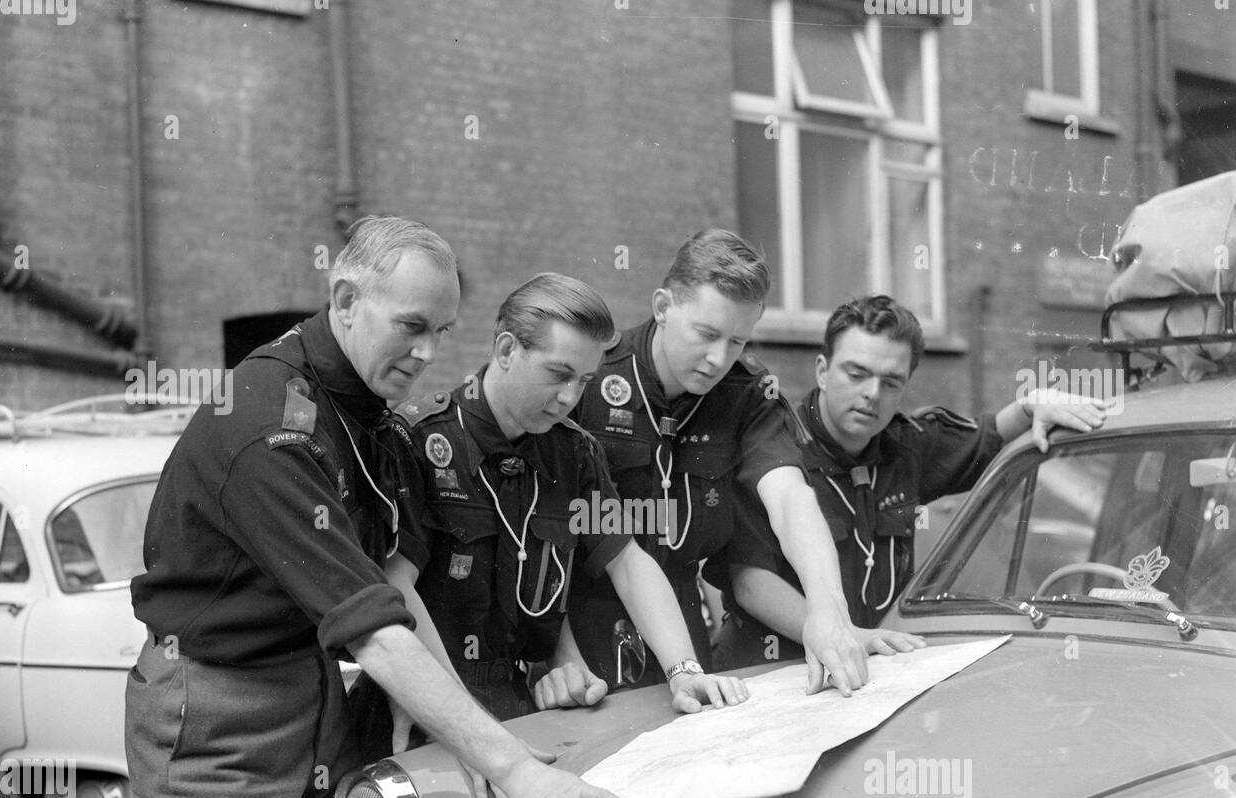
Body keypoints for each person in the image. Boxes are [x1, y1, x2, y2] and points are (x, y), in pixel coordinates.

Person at [124, 217, 635, 798]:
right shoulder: (268, 424)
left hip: (311, 701)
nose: (429, 352)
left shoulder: (372, 414)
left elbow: (398, 590)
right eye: (411, 326)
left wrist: (472, 732)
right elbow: (374, 630)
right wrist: (513, 767)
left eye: (442, 331)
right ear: (346, 298)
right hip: (214, 718)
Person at [382, 272, 748, 735]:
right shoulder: (420, 441)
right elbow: (396, 586)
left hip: (523, 706)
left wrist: (683, 670)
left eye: (584, 380)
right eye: (558, 375)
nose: (569, 398)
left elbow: (628, 562)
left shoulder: (574, 453)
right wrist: (456, 717)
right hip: (426, 707)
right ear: (507, 351)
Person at [566, 228, 889, 699]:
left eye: (738, 341)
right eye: (706, 334)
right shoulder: (593, 377)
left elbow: (789, 496)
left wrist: (827, 608)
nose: (719, 358)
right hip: (583, 636)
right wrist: (556, 658)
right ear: (662, 307)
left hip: (684, 636)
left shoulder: (747, 395)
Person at [710, 294, 1109, 667]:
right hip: (766, 671)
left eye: (890, 382)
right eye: (856, 373)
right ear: (823, 371)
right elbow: (750, 581)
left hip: (867, 671)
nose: (871, 393)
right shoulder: (772, 449)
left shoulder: (908, 446)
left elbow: (988, 436)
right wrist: (841, 634)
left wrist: (1033, 404)